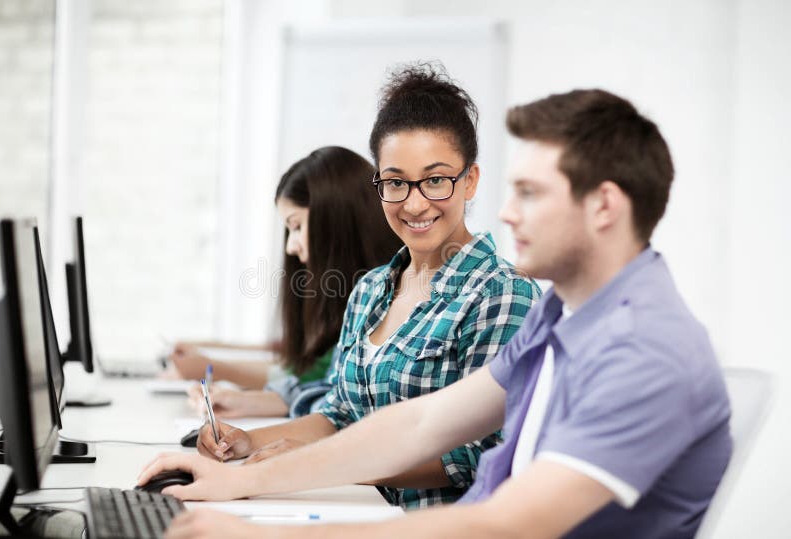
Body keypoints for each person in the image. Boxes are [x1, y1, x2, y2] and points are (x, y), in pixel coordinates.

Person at [141, 88, 733, 539]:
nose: (506, 213)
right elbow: (420, 425)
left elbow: (507, 525)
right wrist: (240, 480)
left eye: (529, 193)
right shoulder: (564, 313)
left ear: (604, 205)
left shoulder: (645, 350)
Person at [179, 63, 539, 509]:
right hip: (353, 508)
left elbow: (475, 455)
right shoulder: (370, 289)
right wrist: (248, 442)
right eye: (395, 182)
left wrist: (318, 464)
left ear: (470, 181)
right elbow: (339, 415)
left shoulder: (502, 295)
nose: (414, 202)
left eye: (435, 179)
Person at [184, 146, 403, 417]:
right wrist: (244, 400)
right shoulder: (352, 298)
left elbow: (330, 398)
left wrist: (213, 367)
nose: (291, 247)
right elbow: (323, 391)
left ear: (335, 222)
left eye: (296, 226)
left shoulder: (390, 300)